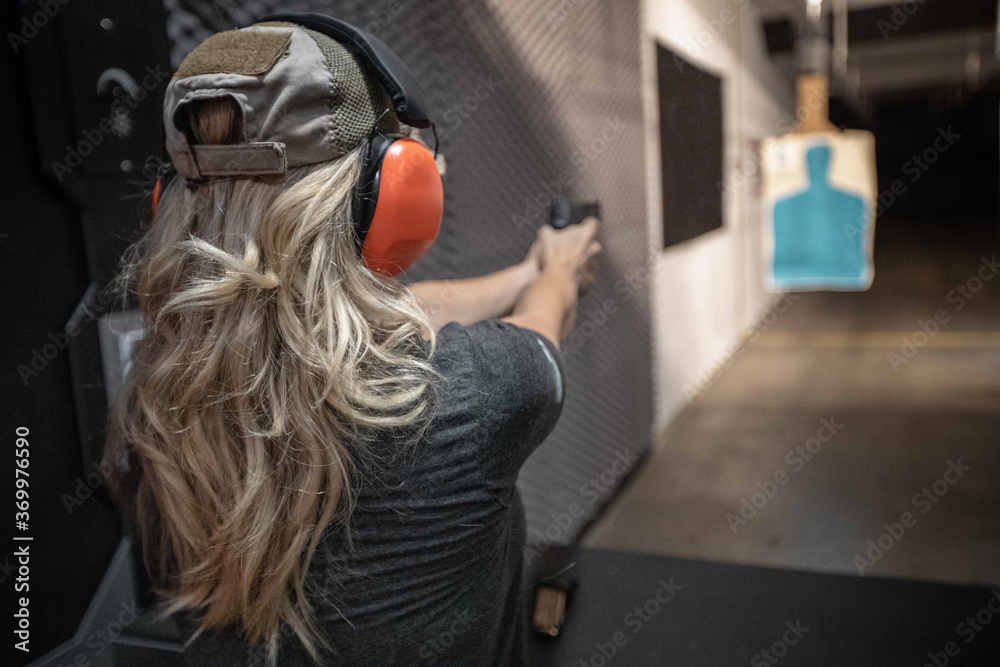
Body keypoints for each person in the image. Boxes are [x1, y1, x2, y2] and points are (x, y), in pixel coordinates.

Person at [102, 14, 600, 667]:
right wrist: (557, 270)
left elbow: (369, 316)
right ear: (392, 194)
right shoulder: (468, 394)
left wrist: (522, 272)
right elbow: (544, 324)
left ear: (174, 197)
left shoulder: (157, 397)